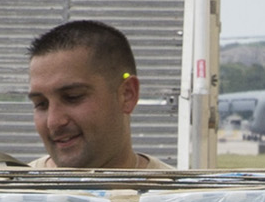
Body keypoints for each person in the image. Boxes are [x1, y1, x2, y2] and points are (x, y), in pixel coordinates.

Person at [28, 20, 169, 171]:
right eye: (41, 104)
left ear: (127, 95)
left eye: (72, 97)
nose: (53, 122)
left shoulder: (179, 193)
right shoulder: (11, 191)